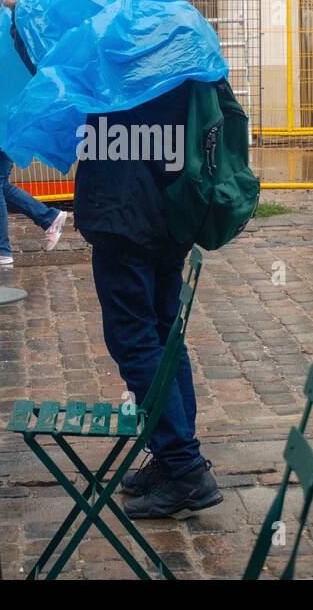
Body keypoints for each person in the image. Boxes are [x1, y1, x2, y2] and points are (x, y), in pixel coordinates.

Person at [74, 80, 221, 519]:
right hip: (168, 212)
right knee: (163, 336)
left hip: (124, 214)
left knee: (136, 341)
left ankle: (184, 466)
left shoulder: (112, 47)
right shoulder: (177, 49)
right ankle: (175, 458)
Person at [0, 0, 66, 266]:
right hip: (2, 125)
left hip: (0, 127)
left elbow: (2, 90)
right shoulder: (1, 47)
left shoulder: (5, 50)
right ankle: (48, 217)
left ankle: (0, 247)